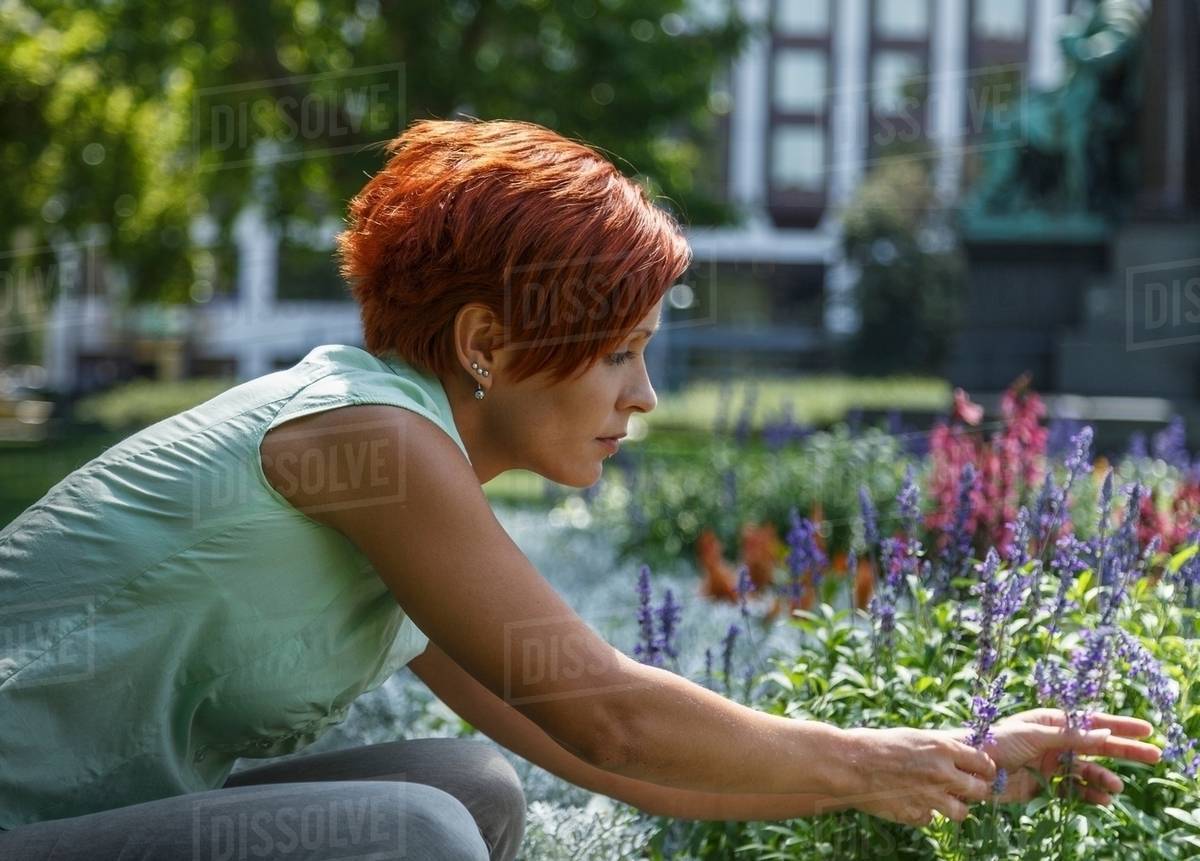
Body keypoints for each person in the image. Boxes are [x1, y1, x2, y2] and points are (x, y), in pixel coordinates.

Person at [0, 119, 1161, 860]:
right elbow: (613, 713)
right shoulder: (368, 439)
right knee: (415, 835)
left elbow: (605, 758)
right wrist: (883, 758)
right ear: (485, 345)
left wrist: (947, 766)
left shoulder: (399, 464)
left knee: (468, 786)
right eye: (618, 353)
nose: (643, 396)